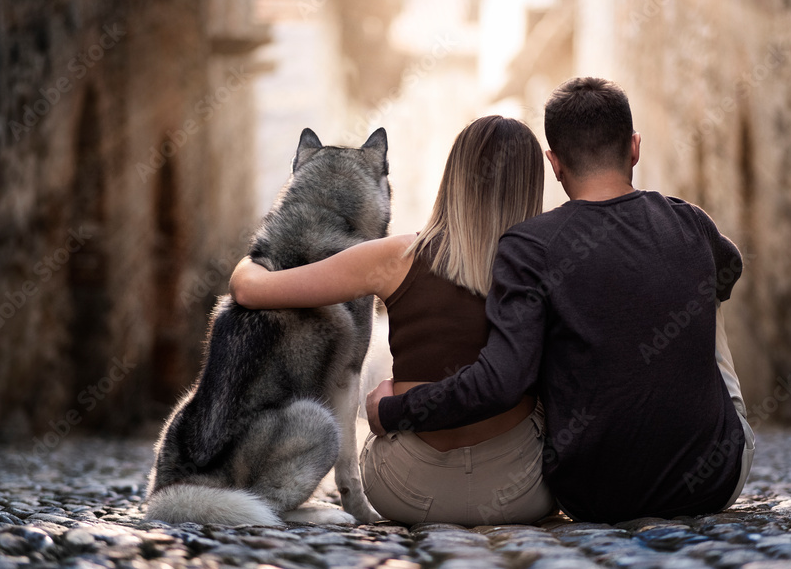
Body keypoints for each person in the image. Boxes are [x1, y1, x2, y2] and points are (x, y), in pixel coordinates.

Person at [367, 77, 755, 524]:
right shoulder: (691, 221)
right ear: (634, 148)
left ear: (554, 163)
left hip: (593, 497)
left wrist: (392, 409)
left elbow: (499, 382)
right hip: (716, 481)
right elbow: (733, 265)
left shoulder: (530, 246)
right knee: (707, 283)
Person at [229, 115, 557, 526]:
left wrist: (249, 260)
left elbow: (250, 290)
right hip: (521, 493)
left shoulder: (393, 256)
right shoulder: (552, 259)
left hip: (407, 491)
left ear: (452, 177)